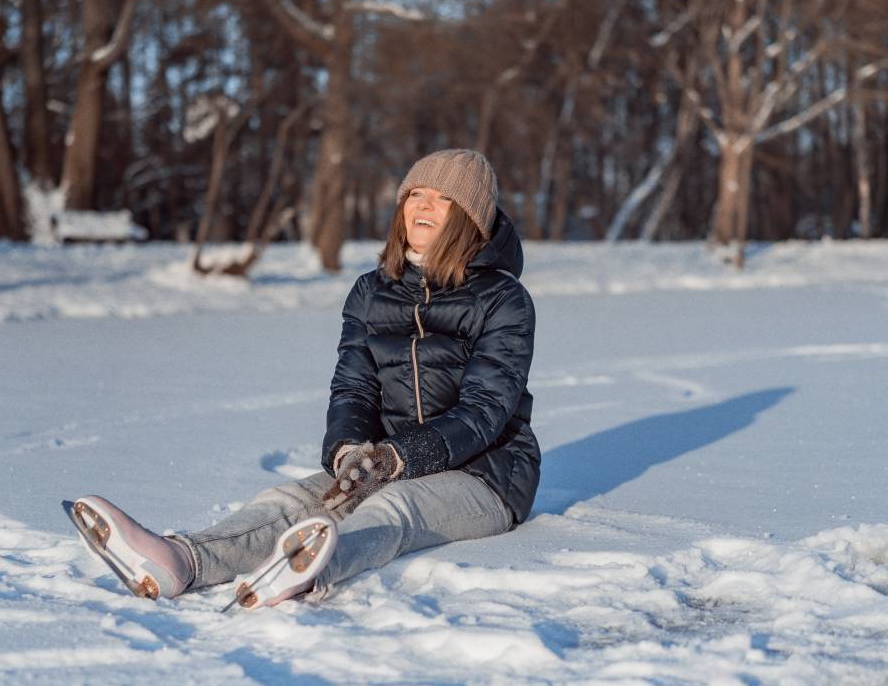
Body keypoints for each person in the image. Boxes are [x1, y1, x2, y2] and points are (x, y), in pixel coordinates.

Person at [65, 149, 540, 609]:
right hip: (388, 460)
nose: (424, 205)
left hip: (487, 474)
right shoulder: (370, 292)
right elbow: (354, 388)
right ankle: (182, 560)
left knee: (394, 508)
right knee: (293, 501)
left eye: (444, 198)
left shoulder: (503, 299)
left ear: (471, 219)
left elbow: (484, 411)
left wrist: (397, 457)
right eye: (415, 194)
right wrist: (350, 451)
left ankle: (307, 569)